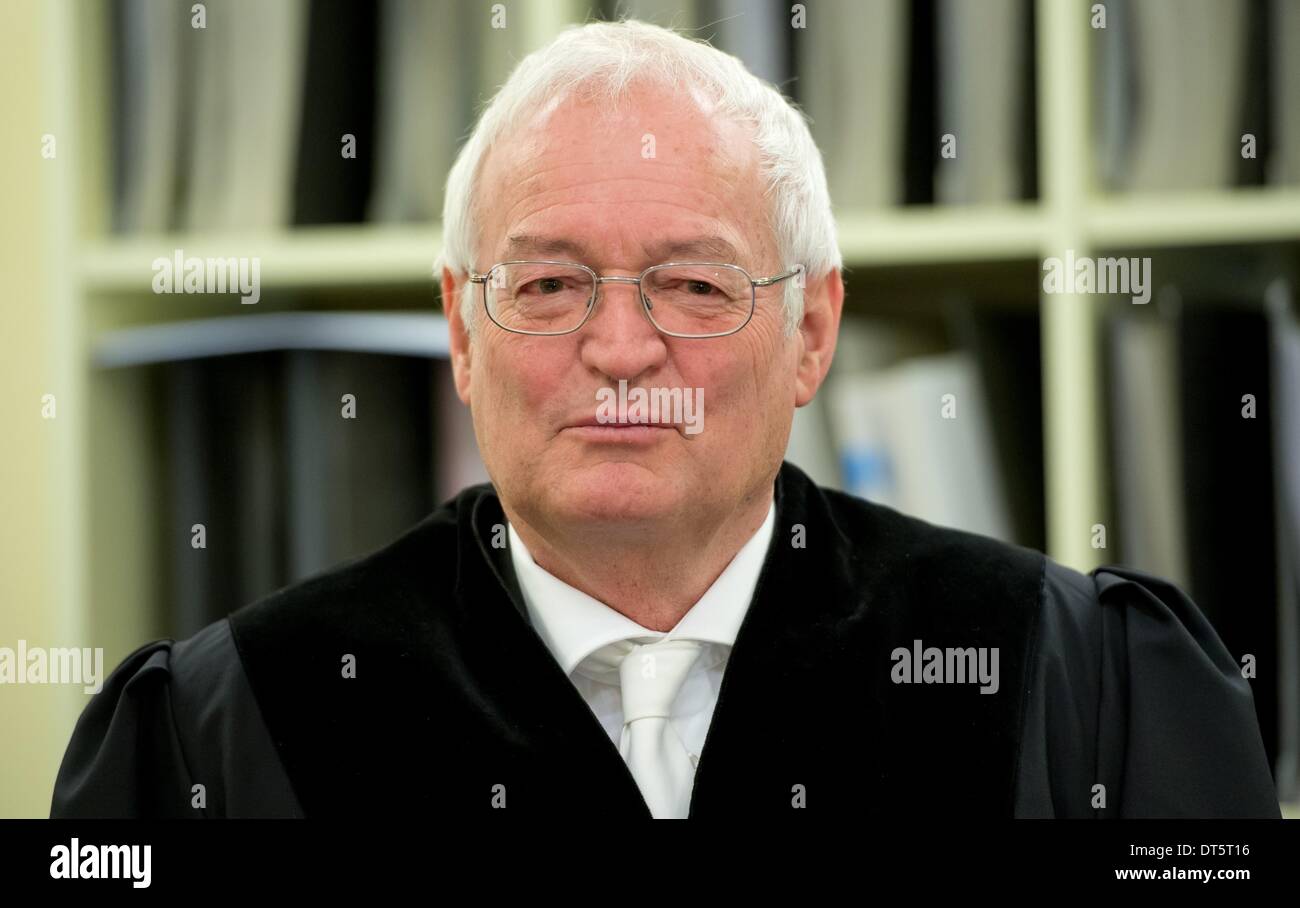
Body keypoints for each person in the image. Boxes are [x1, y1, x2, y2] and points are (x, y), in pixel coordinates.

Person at [51, 18, 1279, 819]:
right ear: (463, 332)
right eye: (548, 285)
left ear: (810, 330)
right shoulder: (221, 733)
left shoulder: (1082, 687)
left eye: (693, 284)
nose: (622, 348)